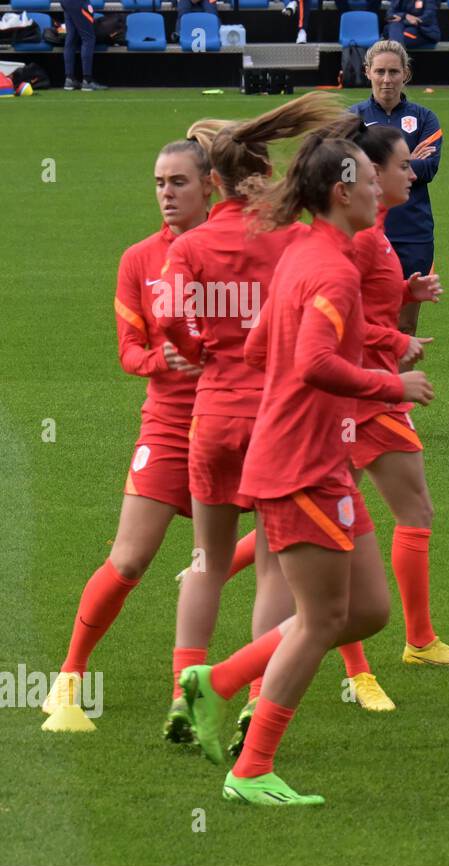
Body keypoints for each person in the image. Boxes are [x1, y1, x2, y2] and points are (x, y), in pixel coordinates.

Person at [181, 126, 433, 806]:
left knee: (368, 611)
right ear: (342, 190)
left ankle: (219, 678)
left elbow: (264, 345)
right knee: (322, 619)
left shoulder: (308, 250)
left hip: (320, 453)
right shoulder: (329, 266)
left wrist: (299, 400)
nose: (384, 184)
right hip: (302, 466)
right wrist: (389, 385)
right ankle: (253, 768)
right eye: (371, 177)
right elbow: (313, 362)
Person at [156, 94, 343, 746]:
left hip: (210, 416)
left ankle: (185, 695)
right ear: (265, 173)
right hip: (272, 422)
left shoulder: (191, 244)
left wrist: (199, 345)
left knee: (206, 559)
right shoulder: (292, 238)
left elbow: (170, 321)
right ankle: (252, 699)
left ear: (214, 181)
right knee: (271, 568)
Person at [41, 138, 216, 732]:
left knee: (283, 551)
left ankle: (354, 671)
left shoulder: (238, 253)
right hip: (168, 427)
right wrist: (162, 361)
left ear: (209, 185)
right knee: (131, 560)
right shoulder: (139, 259)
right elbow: (129, 352)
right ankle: (70, 674)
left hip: (234, 425)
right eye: (160, 183)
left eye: (179, 183)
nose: (167, 194)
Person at [348, 120, 449, 682]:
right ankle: (415, 642)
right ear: (373, 174)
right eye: (403, 165)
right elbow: (337, 319)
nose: (412, 172)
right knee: (409, 513)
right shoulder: (359, 237)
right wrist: (395, 340)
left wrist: (407, 293)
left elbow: (363, 305)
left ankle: (208, 567)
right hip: (364, 391)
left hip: (366, 386)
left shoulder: (375, 230)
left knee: (319, 515)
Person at [349, 41, 443, 340]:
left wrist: (372, 165)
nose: (386, 79)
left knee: (406, 327)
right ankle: (369, 385)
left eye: (393, 72)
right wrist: (408, 160)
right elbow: (346, 172)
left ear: (406, 74)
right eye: (380, 71)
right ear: (367, 73)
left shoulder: (426, 118)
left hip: (413, 232)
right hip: (364, 230)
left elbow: (428, 170)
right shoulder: (352, 119)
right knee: (364, 323)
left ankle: (397, 387)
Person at [62, 0, 106, 92]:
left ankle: (69, 79)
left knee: (71, 37)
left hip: (65, 2)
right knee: (88, 38)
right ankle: (87, 81)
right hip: (79, 3)